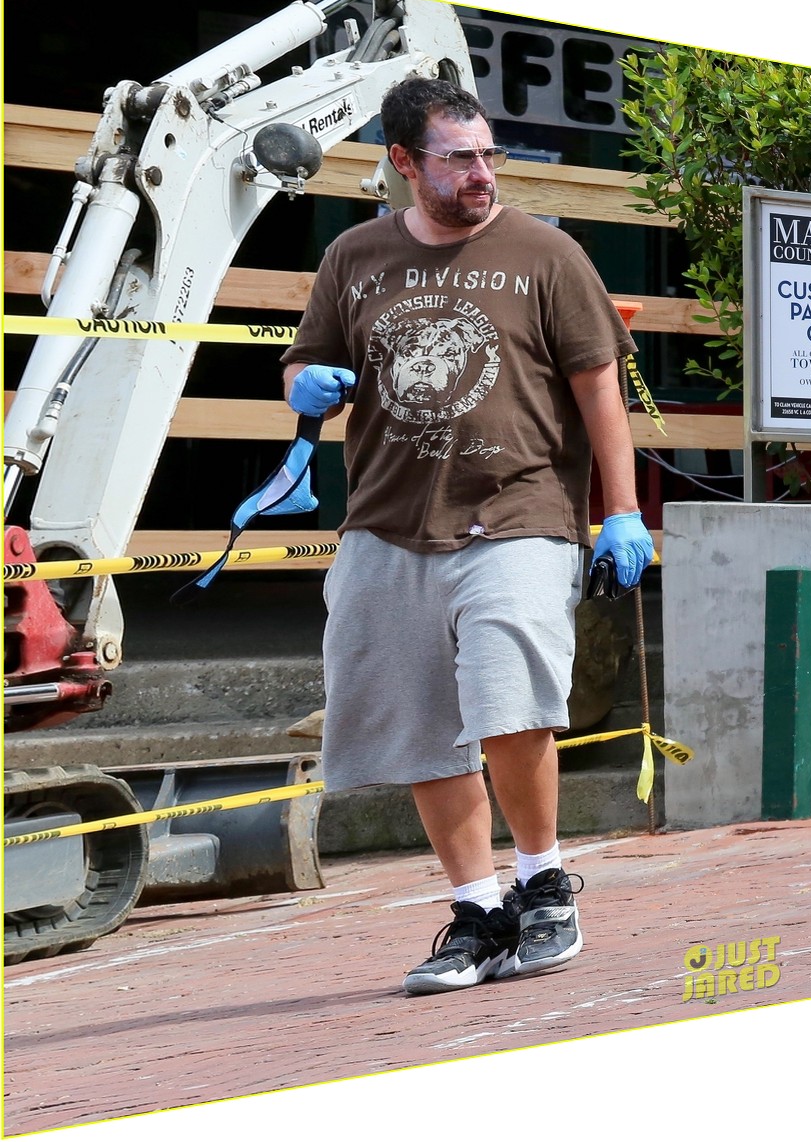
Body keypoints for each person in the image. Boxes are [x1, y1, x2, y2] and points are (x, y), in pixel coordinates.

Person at [280, 77, 653, 996]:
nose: (481, 173)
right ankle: (478, 912)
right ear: (405, 163)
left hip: (518, 514)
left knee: (511, 704)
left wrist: (623, 511)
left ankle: (543, 887)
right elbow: (306, 354)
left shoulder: (545, 252)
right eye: (458, 158)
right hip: (386, 523)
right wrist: (304, 386)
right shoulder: (353, 255)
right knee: (417, 729)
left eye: (487, 154)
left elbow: (598, 388)